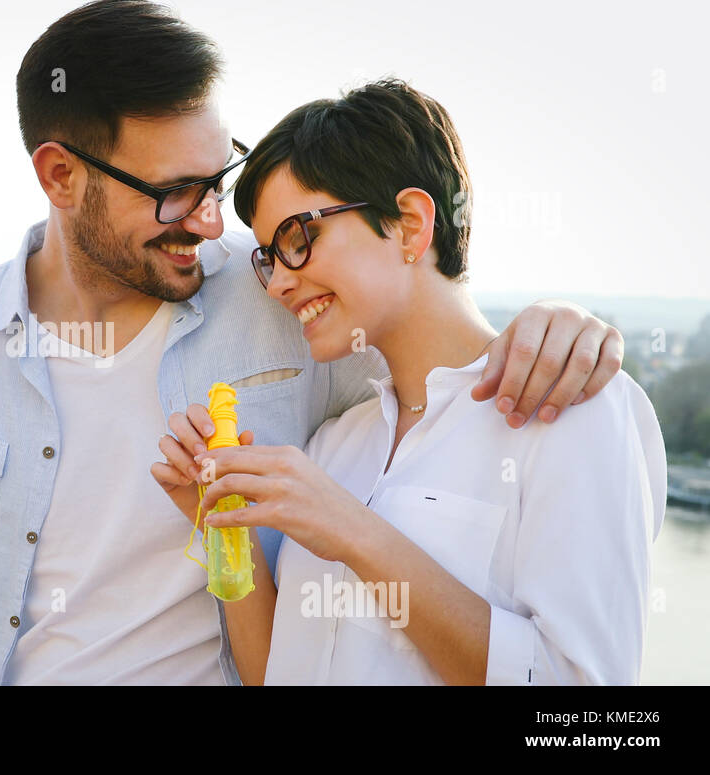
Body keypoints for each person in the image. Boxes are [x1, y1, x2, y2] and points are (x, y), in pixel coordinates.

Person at [0, 0, 625, 685]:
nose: (211, 222)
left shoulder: (283, 296)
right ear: (60, 174)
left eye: (219, 179)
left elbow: (429, 322)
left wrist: (560, 323)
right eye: (177, 192)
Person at [153, 78, 664, 685]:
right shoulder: (335, 445)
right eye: (268, 256)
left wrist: (354, 531)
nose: (279, 283)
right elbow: (274, 673)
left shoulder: (573, 412)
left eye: (297, 240)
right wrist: (219, 520)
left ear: (411, 224)